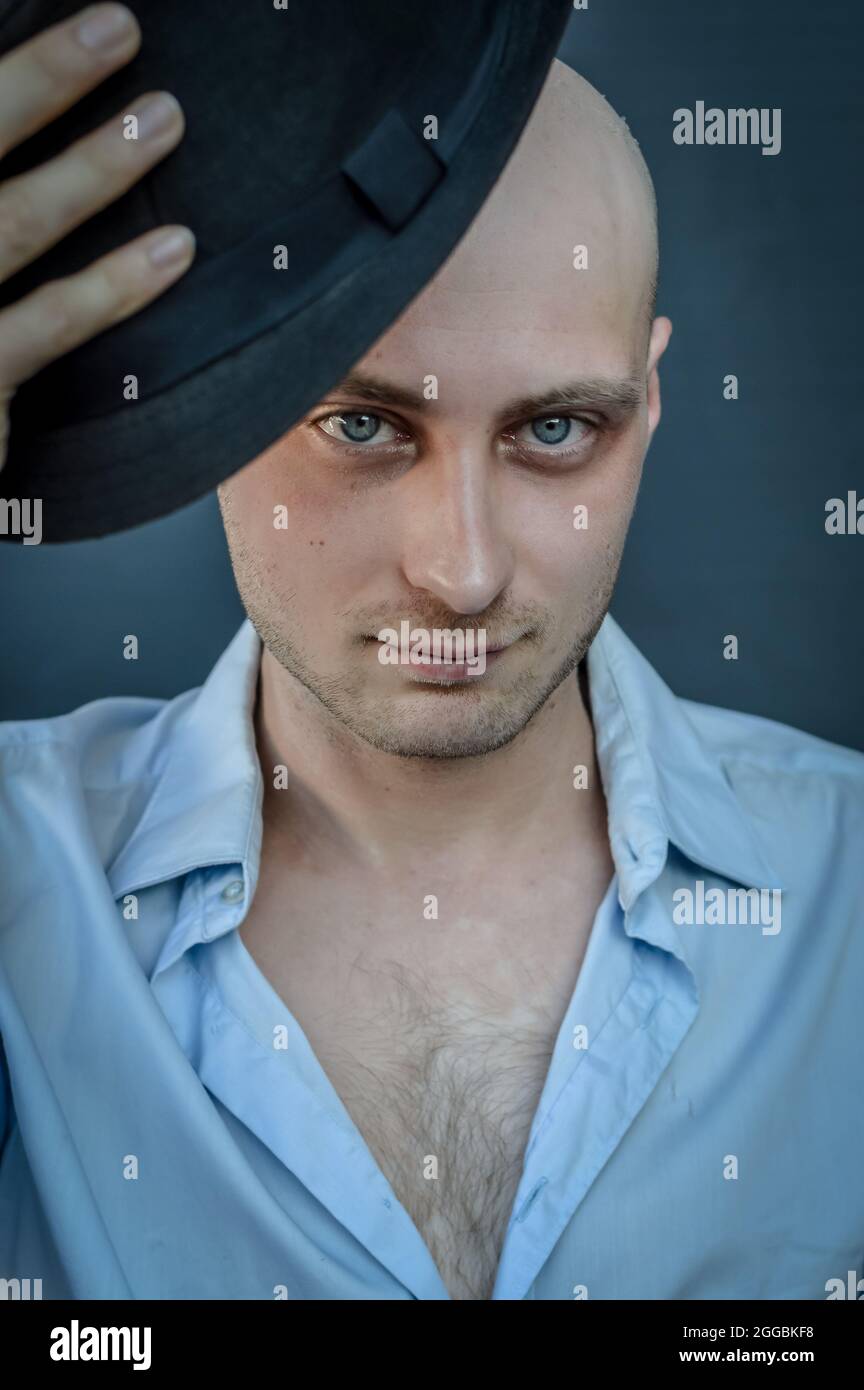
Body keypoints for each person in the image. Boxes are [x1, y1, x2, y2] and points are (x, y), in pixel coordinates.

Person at [1, 9, 862, 1303]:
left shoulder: (847, 897)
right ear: (216, 411)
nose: (461, 571)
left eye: (557, 427)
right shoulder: (20, 887)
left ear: (653, 399)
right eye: (360, 422)